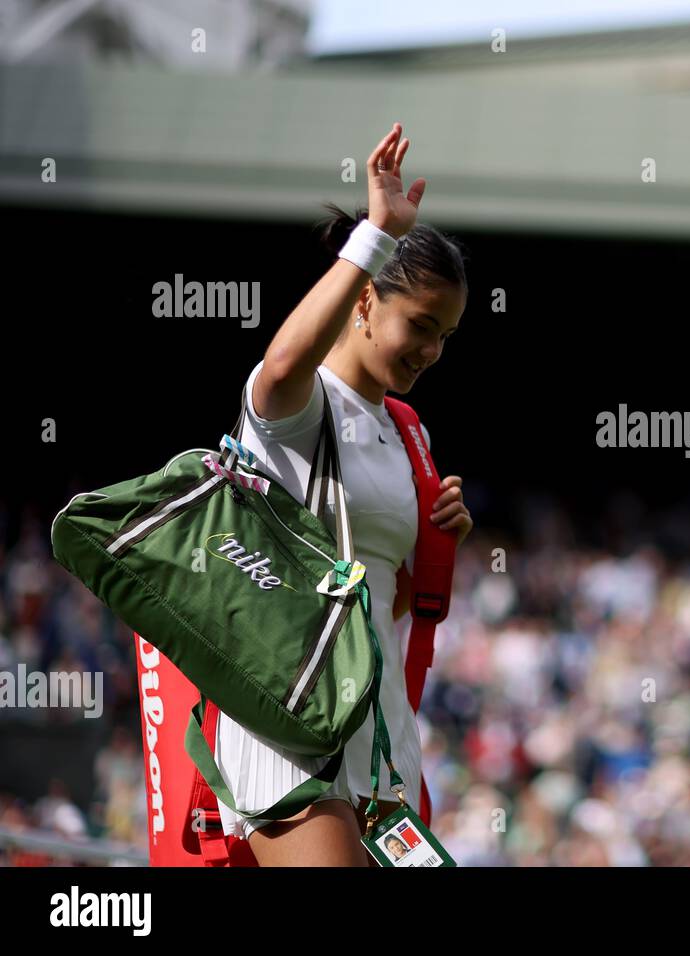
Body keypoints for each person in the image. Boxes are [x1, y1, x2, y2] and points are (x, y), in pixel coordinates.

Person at [212, 123, 473, 866]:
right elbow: (281, 362)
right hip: (291, 722)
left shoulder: (410, 434)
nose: (431, 351)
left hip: (381, 732)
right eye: (420, 325)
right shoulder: (298, 406)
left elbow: (375, 605)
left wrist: (436, 549)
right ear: (363, 301)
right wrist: (377, 236)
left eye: (447, 335)